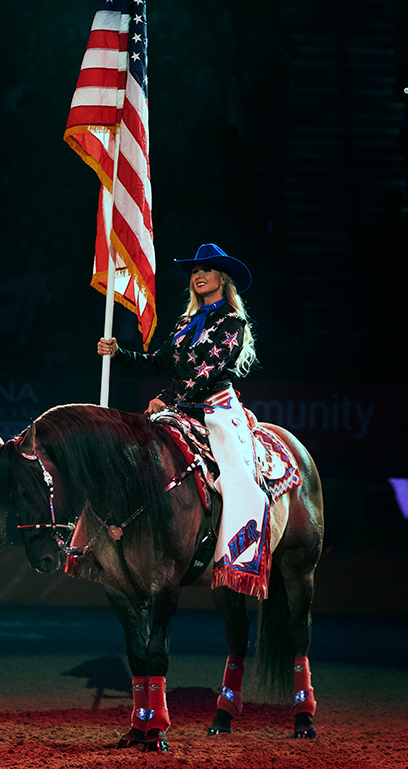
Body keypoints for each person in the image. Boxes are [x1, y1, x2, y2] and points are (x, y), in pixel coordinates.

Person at [97, 243, 269, 596]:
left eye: (206, 269)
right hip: (176, 409)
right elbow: (159, 361)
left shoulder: (232, 324)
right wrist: (120, 353)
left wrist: (169, 398)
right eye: (194, 271)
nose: (198, 275)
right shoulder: (185, 322)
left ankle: (239, 556)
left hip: (217, 411)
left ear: (222, 279)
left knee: (237, 477)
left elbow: (206, 374)